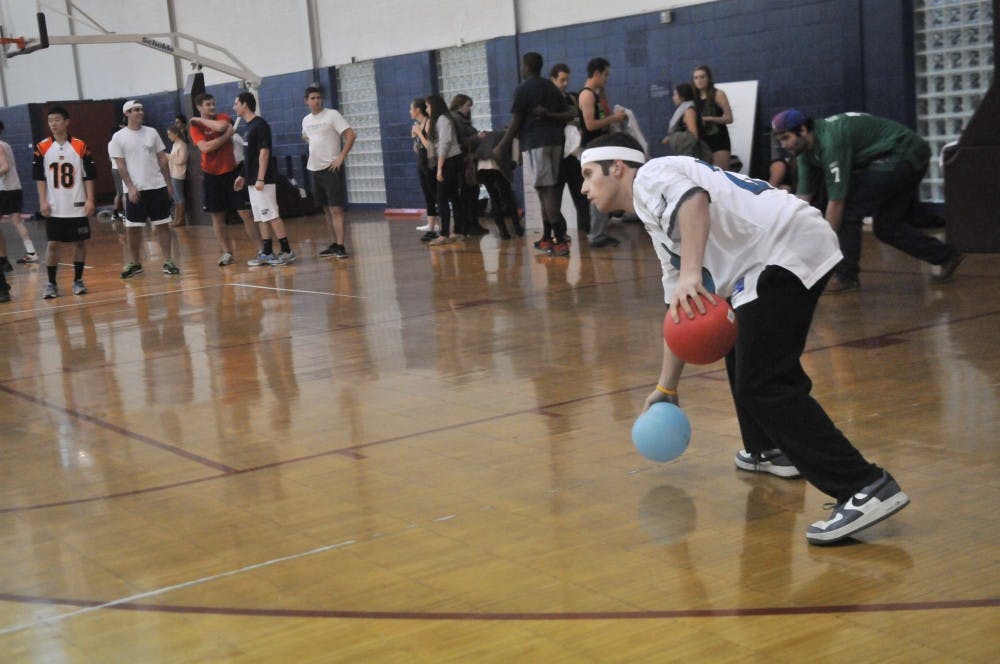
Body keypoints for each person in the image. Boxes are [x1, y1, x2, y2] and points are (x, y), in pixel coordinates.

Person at [579, 132, 910, 546]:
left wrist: (690, 275)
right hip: (770, 258)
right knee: (738, 344)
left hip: (784, 249)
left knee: (765, 382)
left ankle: (864, 486)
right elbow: (679, 313)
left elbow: (694, 200)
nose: (584, 187)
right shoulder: (656, 219)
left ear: (618, 168)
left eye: (589, 174)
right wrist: (667, 386)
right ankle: (769, 449)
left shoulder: (652, 175)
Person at [772, 109, 965, 293]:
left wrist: (823, 244)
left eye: (786, 138)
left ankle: (846, 276)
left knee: (847, 212)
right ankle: (946, 256)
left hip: (902, 153)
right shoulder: (805, 154)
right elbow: (802, 202)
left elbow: (837, 201)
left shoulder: (831, 141)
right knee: (886, 227)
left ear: (803, 130)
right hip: (899, 156)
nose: (783, 145)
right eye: (780, 140)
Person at [493, 52, 571, 256]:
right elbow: (570, 114)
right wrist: (550, 116)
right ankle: (547, 238)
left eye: (522, 66)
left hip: (536, 143)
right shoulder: (551, 88)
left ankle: (560, 241)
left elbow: (516, 121)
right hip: (555, 142)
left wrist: (502, 145)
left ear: (526, 67)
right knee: (544, 190)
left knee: (547, 190)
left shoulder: (523, 88)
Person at [188, 92, 266, 266]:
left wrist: (199, 120)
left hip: (231, 172)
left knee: (246, 213)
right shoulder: (195, 127)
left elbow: (221, 127)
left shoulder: (222, 117)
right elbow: (206, 148)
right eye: (208, 105)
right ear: (199, 107)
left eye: (213, 103)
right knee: (218, 217)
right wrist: (225, 137)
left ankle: (261, 249)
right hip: (211, 175)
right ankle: (227, 252)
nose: (212, 107)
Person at [108, 100, 179, 278]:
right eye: (135, 110)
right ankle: (135, 263)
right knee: (133, 228)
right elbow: (121, 165)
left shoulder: (152, 133)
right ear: (127, 113)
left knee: (162, 225)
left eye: (141, 109)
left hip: (157, 186)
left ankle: (168, 261)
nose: (140, 112)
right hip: (135, 190)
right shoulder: (118, 137)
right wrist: (130, 187)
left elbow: (162, 159)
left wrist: (168, 184)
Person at [32, 105, 96, 299]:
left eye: (57, 120)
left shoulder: (80, 146)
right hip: (54, 207)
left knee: (79, 243)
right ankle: (51, 284)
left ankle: (78, 280)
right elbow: (39, 178)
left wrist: (90, 200)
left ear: (67, 122)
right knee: (52, 244)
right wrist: (43, 201)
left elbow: (89, 176)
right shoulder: (42, 147)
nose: (53, 124)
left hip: (76, 204)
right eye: (50, 120)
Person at [233, 91, 295, 265]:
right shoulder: (248, 127)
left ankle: (287, 250)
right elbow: (249, 157)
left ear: (245, 104)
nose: (234, 107)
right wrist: (243, 176)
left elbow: (264, 153)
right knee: (260, 216)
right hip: (252, 181)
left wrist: (260, 178)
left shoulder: (260, 125)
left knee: (271, 214)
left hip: (263, 180)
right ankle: (267, 252)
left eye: (236, 103)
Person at [579, 57, 628, 249]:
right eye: (605, 75)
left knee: (605, 188)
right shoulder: (586, 95)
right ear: (597, 73)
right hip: (592, 149)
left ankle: (600, 232)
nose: (607, 79)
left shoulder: (597, 94)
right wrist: (613, 118)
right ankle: (596, 235)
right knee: (597, 190)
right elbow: (590, 124)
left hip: (600, 147)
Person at [302, 84, 356, 259]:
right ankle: (334, 243)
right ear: (307, 101)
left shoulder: (332, 115)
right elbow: (306, 136)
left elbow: (350, 135)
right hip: (314, 169)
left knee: (336, 209)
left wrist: (341, 156)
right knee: (326, 209)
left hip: (331, 169)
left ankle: (341, 245)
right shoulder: (306, 120)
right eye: (313, 98)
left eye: (319, 97)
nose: (317, 100)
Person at [426, 93, 467, 245]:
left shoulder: (443, 119)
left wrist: (439, 168)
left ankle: (444, 234)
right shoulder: (439, 119)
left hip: (450, 161)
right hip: (450, 160)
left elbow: (445, 144)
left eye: (428, 106)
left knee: (442, 197)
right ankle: (458, 231)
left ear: (434, 106)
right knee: (453, 196)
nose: (427, 109)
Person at [0, 121, 39, 267]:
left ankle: (3, 259)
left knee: (15, 221)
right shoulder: (6, 144)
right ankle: (31, 252)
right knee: (17, 221)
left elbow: (5, 167)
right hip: (14, 187)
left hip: (5, 189)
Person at [449, 94, 487, 236]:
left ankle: (470, 225)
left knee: (470, 194)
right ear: (460, 105)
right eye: (467, 106)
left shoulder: (459, 119)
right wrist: (477, 137)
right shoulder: (458, 120)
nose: (469, 109)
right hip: (465, 162)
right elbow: (461, 142)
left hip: (465, 161)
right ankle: (470, 225)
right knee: (469, 194)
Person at [692, 65, 734, 170]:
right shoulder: (693, 98)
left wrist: (710, 118)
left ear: (709, 78)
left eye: (702, 77)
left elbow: (729, 118)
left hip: (718, 138)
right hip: (702, 140)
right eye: (696, 78)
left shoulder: (718, 94)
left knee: (721, 173)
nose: (699, 81)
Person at [409, 97, 439, 241]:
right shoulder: (417, 125)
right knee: (428, 195)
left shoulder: (428, 124)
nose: (409, 112)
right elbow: (418, 149)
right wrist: (415, 139)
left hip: (430, 164)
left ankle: (437, 225)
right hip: (421, 164)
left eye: (411, 109)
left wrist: (419, 134)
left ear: (417, 110)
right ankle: (432, 225)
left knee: (434, 195)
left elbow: (430, 148)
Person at [661, 83, 712, 161]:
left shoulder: (689, 111)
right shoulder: (684, 110)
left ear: (682, 97)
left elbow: (693, 135)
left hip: (692, 154)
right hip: (686, 152)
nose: (673, 97)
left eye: (675, 95)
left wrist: (675, 138)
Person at [165, 124, 188, 227]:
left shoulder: (182, 145)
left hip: (179, 174)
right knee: (175, 197)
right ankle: (176, 219)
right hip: (173, 173)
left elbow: (182, 160)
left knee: (179, 196)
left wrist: (169, 157)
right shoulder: (175, 144)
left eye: (170, 134)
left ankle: (181, 219)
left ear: (176, 134)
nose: (169, 136)